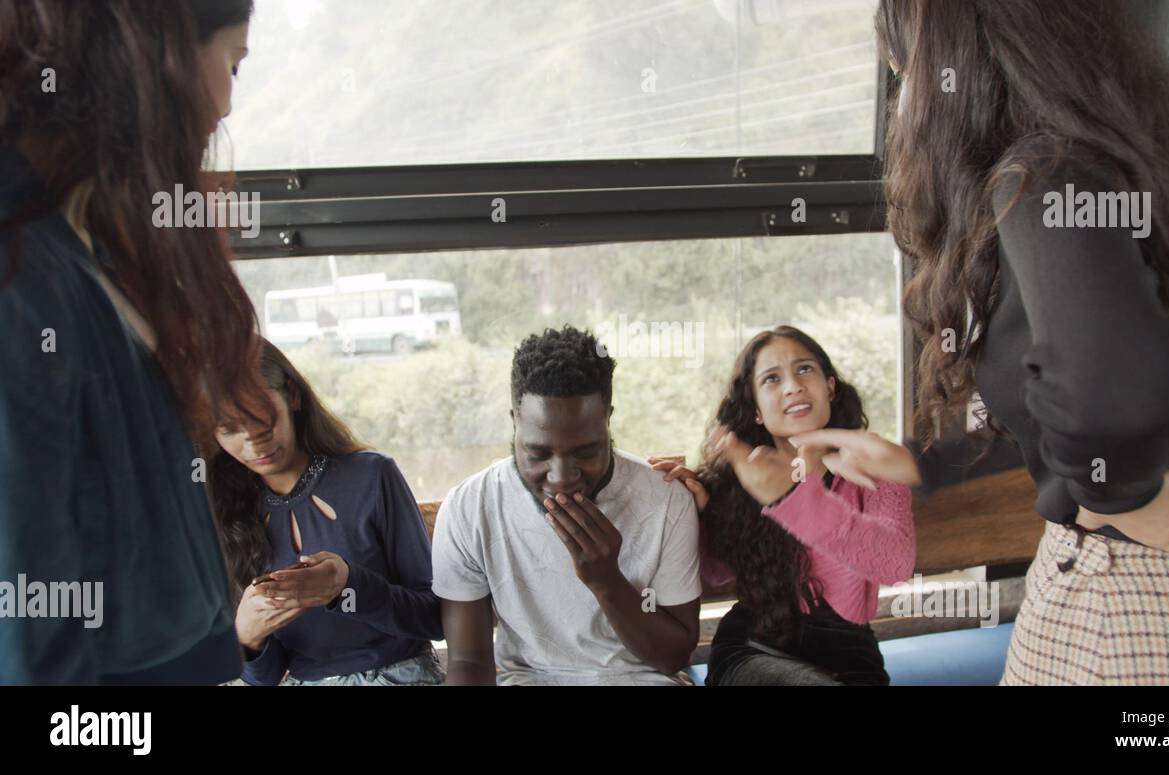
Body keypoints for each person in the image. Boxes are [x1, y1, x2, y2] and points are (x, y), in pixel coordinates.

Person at [793, 0, 1169, 684]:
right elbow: (1072, 409)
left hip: (1126, 616)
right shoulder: (1136, 165)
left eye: (903, 72)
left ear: (957, 68)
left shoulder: (1040, 175)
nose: (905, 102)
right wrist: (923, 462)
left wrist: (1120, 496)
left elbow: (1113, 403)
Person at [0, 0, 262, 684]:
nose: (227, 105)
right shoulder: (23, 280)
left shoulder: (78, 255)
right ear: (156, 54)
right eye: (232, 61)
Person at [432, 326, 701, 685]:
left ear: (607, 419)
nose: (561, 477)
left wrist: (607, 581)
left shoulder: (666, 502)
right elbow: (467, 662)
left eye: (586, 451)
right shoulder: (470, 508)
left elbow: (672, 657)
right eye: (538, 453)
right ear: (515, 421)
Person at [653, 326, 914, 685]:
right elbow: (716, 573)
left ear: (830, 387)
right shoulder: (741, 476)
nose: (793, 386)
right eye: (772, 379)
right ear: (756, 409)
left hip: (851, 654)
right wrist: (698, 514)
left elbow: (895, 564)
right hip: (755, 649)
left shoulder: (875, 467)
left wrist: (795, 499)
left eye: (805, 369)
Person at [211, 340, 443, 686]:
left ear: (292, 396)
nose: (252, 440)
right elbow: (266, 677)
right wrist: (246, 639)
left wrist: (347, 587)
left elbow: (435, 618)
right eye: (229, 428)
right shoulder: (227, 516)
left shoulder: (372, 476)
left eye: (260, 413)